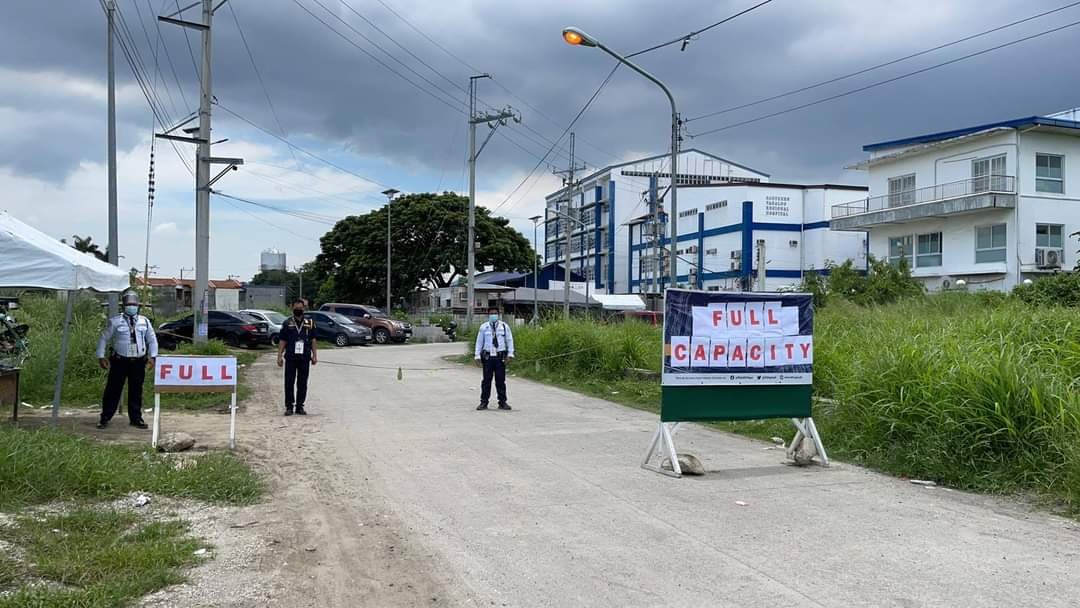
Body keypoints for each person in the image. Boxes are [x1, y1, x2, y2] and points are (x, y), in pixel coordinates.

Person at [95, 291, 158, 429]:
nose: (131, 307)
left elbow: (152, 340)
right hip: (120, 361)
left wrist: (153, 357)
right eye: (129, 304)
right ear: (123, 306)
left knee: (136, 390)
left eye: (134, 304)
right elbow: (104, 338)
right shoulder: (115, 321)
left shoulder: (144, 321)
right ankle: (105, 417)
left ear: (138, 306)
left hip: (138, 361)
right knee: (113, 389)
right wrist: (101, 356)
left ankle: (136, 418)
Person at [277, 299, 317, 416]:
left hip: (304, 357)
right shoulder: (287, 323)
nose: (298, 310)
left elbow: (313, 339)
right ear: (292, 308)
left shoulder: (310, 323)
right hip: (291, 357)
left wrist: (314, 355)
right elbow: (282, 340)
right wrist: (279, 356)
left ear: (304, 308)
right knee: (289, 382)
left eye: (300, 308)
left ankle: (300, 406)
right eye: (296, 308)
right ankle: (289, 406)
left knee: (302, 383)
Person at [474, 306, 514, 411]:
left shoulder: (504, 326)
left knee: (500, 381)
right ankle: (483, 402)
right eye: (491, 313)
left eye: (495, 313)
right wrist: (477, 356)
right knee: (486, 381)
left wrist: (510, 354)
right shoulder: (484, 327)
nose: (493, 315)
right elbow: (479, 342)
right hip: (488, 358)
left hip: (500, 357)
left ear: (498, 314)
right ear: (488, 315)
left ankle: (502, 402)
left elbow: (509, 340)